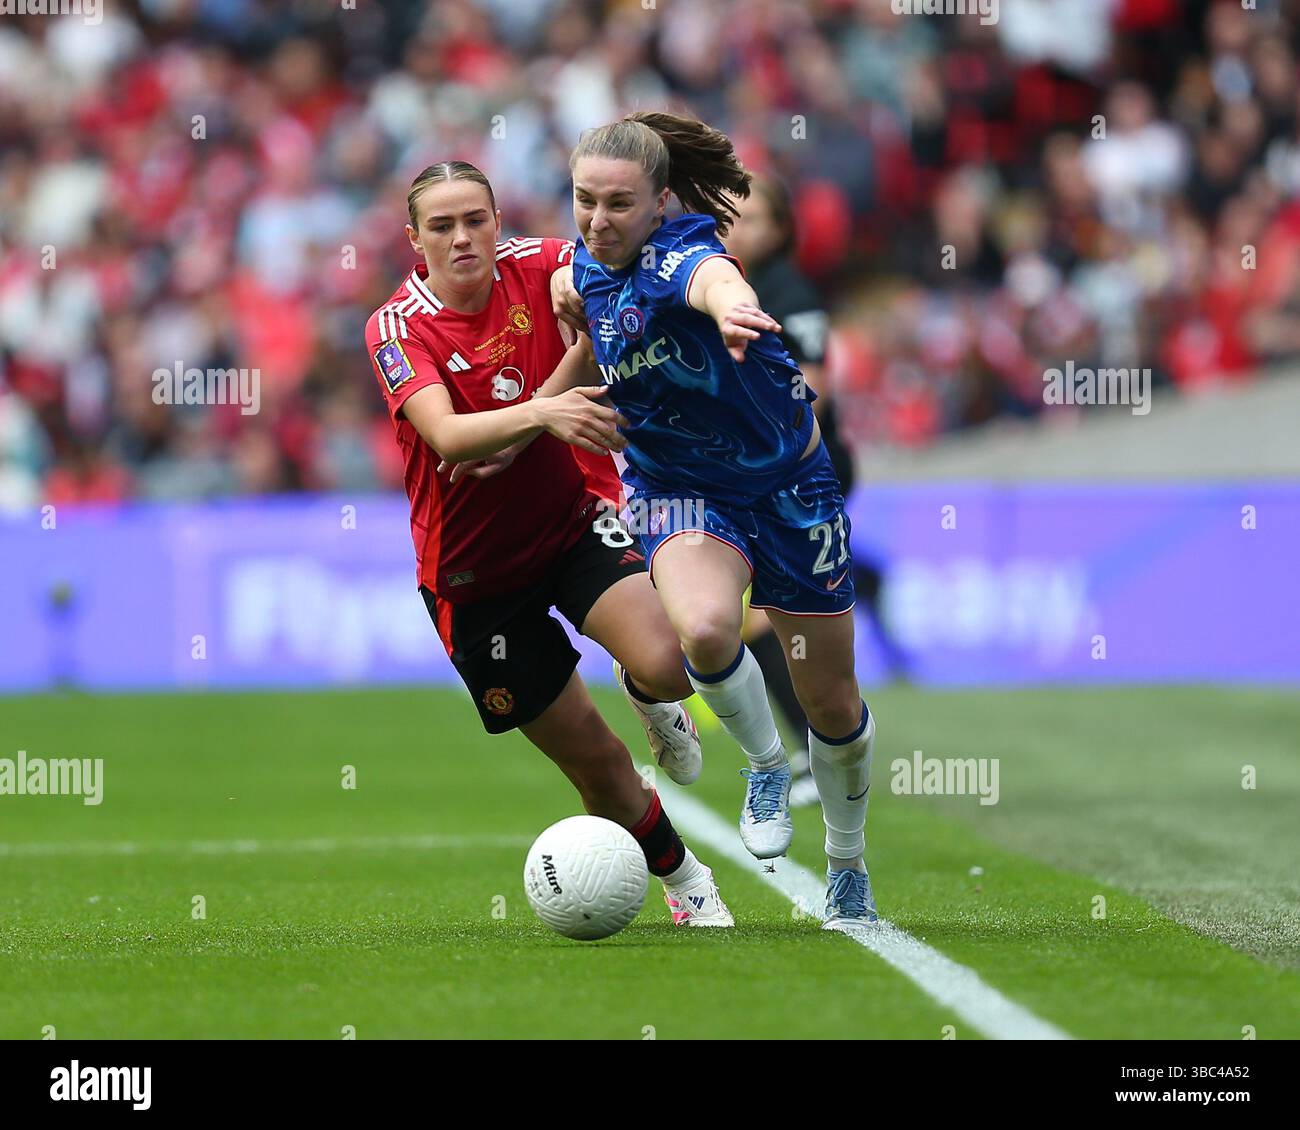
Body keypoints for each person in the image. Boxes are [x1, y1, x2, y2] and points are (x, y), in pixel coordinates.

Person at [364, 160, 731, 926]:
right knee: (598, 764)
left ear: (498, 222)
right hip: (475, 580)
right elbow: (448, 437)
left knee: (669, 661)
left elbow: (608, 300)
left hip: (571, 522)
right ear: (415, 239)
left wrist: (546, 385)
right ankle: (687, 880)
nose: (463, 238)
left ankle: (647, 694)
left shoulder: (544, 264)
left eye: (476, 219)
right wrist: (541, 414)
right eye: (442, 226)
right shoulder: (397, 326)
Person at [552, 113, 878, 928]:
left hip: (791, 486)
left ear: (661, 202)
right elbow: (566, 274)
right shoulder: (581, 265)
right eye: (585, 200)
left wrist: (735, 309)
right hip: (680, 491)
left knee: (834, 703)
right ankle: (766, 766)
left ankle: (847, 863)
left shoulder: (684, 256)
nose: (598, 220)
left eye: (619, 204)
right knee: (702, 629)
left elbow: (715, 281)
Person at [722, 176, 909, 809]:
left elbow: (812, 392)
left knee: (763, 616)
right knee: (766, 615)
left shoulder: (789, 294)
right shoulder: (728, 286)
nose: (738, 229)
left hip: (803, 471)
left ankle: (815, 751)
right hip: (761, 473)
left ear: (780, 230)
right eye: (731, 217)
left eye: (754, 218)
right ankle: (819, 748)